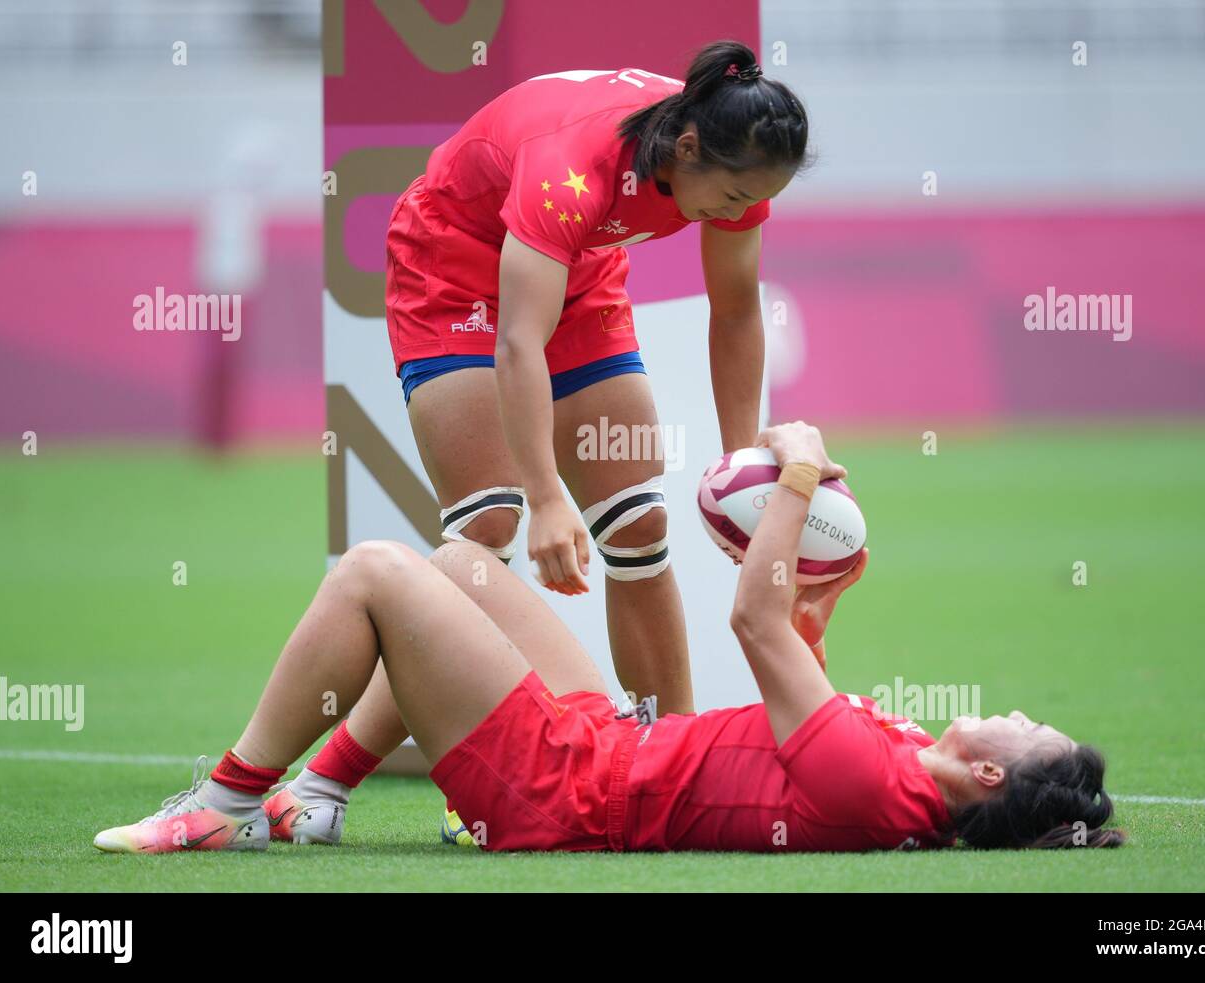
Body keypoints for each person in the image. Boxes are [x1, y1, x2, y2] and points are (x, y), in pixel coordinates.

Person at [94, 423, 1125, 854]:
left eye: (1033, 729)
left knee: (374, 571)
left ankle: (222, 802)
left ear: (991, 770)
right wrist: (829, 586)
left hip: (563, 785)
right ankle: (315, 798)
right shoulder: (900, 763)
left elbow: (753, 621)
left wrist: (799, 474)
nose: (1023, 709)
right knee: (461, 567)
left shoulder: (877, 783)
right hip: (606, 743)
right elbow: (795, 659)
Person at [278, 39, 811, 844]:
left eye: (753, 202)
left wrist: (738, 472)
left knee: (639, 529)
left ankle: (675, 769)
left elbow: (735, 311)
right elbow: (519, 344)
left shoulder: (740, 155)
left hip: (578, 268)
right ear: (690, 147)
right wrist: (546, 496)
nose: (736, 215)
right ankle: (323, 785)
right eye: (731, 197)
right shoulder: (575, 164)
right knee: (485, 535)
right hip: (454, 266)